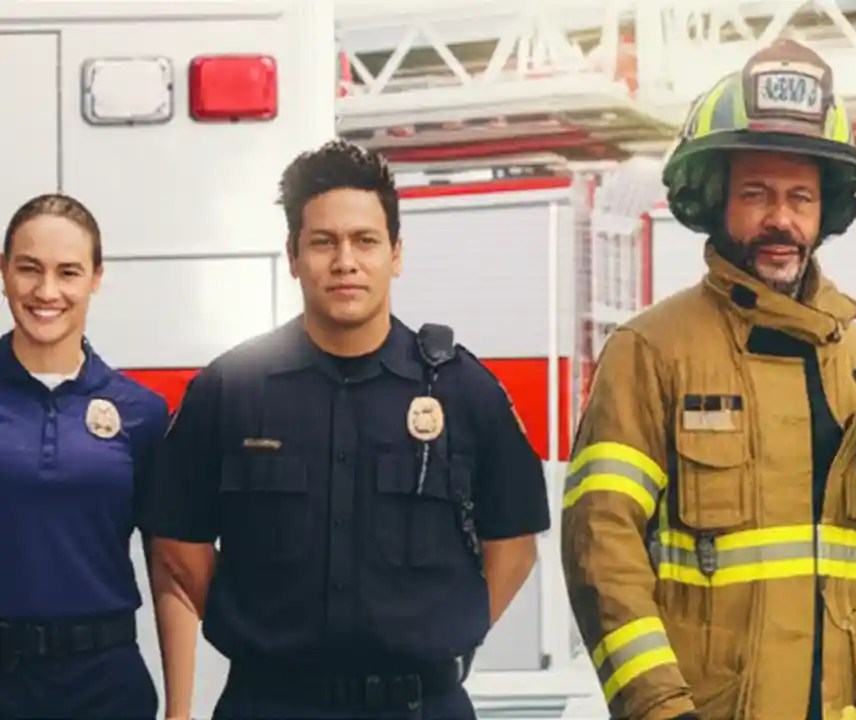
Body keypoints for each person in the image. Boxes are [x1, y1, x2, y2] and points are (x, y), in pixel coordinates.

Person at [560, 39, 856, 720]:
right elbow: (602, 551)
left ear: (824, 212)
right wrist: (659, 709)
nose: (781, 218)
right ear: (717, 202)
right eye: (756, 194)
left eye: (800, 197)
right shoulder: (650, 352)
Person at [140, 140, 552, 720]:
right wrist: (257, 634)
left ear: (396, 254)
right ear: (292, 255)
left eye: (365, 240)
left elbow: (514, 543)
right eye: (323, 242)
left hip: (420, 706)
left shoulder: (463, 392)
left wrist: (446, 630)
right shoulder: (230, 389)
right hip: (271, 703)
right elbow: (177, 542)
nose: (345, 262)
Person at [0, 193, 197, 719]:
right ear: (3, 272)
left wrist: (180, 711)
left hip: (104, 687)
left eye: (68, 272)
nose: (47, 291)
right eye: (29, 269)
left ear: (96, 278)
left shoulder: (141, 412)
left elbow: (169, 566)